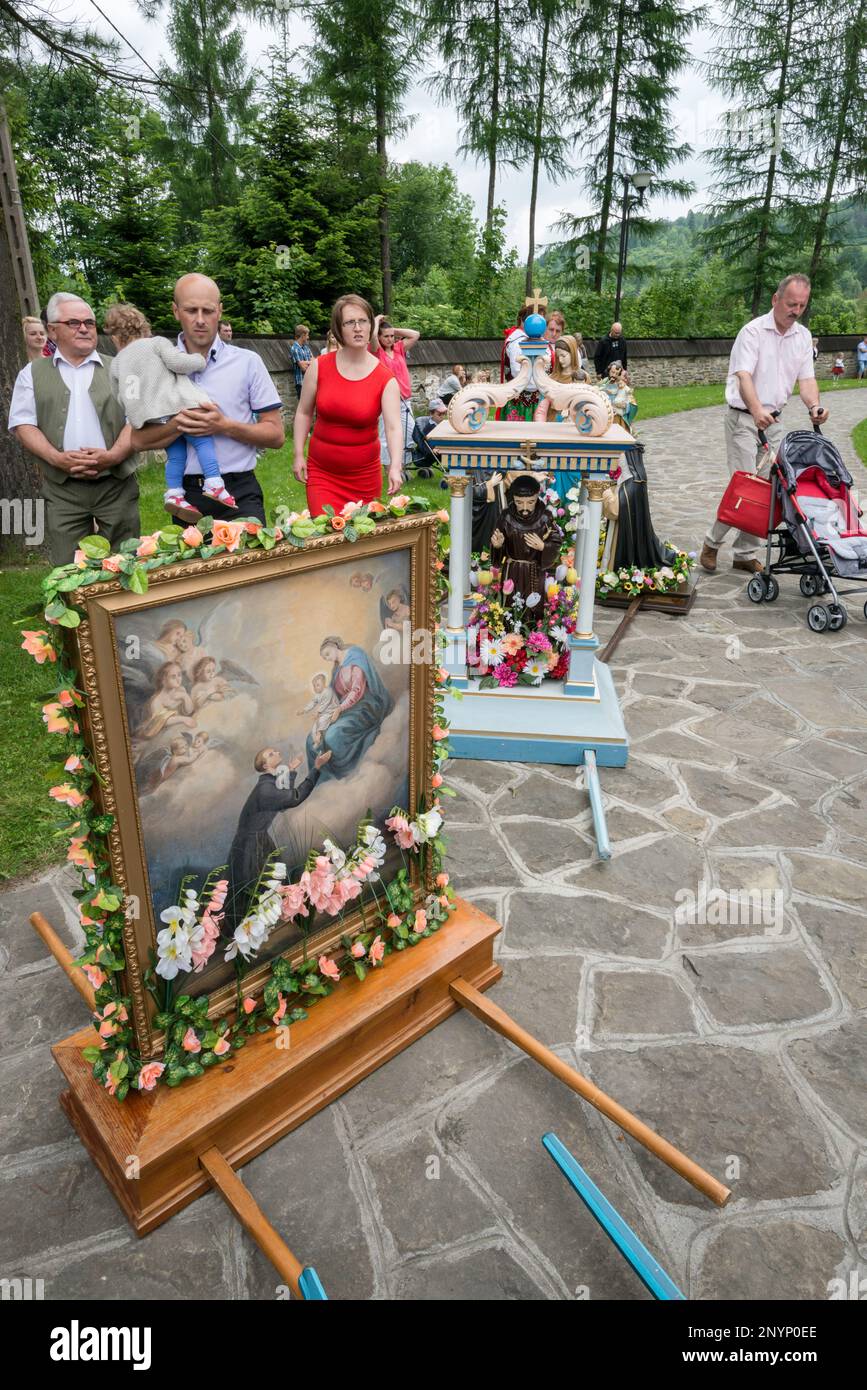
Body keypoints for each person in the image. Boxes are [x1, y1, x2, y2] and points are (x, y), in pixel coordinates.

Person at [127, 274, 284, 525]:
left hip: (239, 491)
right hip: (186, 498)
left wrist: (223, 425)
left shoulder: (248, 362)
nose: (200, 320)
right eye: (191, 310)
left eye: (208, 311)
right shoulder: (155, 368)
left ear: (219, 311)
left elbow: (276, 435)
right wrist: (179, 423)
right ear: (176, 311)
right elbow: (136, 440)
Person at [700, 273, 829, 575]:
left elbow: (807, 380)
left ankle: (744, 554)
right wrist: (756, 409)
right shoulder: (752, 332)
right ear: (775, 299)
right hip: (744, 419)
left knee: (771, 490)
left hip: (774, 422)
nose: (796, 310)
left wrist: (814, 406)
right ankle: (711, 543)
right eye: (791, 304)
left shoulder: (802, 337)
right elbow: (743, 376)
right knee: (745, 486)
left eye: (802, 305)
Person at [8, 291, 140, 565]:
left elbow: (136, 419)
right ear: (52, 331)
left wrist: (113, 455)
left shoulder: (122, 369)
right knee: (67, 568)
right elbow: (23, 424)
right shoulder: (31, 374)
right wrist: (57, 459)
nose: (84, 328)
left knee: (125, 563)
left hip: (116, 485)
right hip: (63, 489)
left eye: (89, 322)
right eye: (73, 323)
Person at [111, 320, 238, 519]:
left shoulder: (117, 361)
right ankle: (214, 483)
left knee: (176, 455)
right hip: (176, 406)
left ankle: (174, 493)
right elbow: (177, 363)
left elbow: (118, 395)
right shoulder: (156, 343)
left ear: (115, 338)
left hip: (153, 419)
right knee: (202, 441)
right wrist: (199, 360)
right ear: (146, 329)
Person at [293, 294, 403, 514]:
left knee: (362, 535)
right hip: (322, 474)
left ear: (371, 325)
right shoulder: (319, 367)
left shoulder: (385, 378)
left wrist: (395, 466)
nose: (358, 328)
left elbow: (393, 428)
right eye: (350, 322)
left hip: (364, 478)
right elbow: (304, 412)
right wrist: (298, 454)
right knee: (326, 532)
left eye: (363, 321)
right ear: (338, 328)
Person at [307, 635, 394, 780]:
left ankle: (347, 775)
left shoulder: (355, 656)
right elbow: (332, 695)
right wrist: (321, 714)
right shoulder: (337, 669)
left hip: (364, 707)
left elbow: (357, 690)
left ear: (334, 646)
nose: (327, 658)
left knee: (333, 735)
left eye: (327, 654)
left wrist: (340, 708)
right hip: (344, 708)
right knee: (312, 740)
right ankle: (321, 781)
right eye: (325, 658)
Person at [490, 475, 563, 611]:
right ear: (513, 499)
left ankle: (534, 626)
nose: (525, 508)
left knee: (533, 608)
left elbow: (556, 542)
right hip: (512, 571)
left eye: (530, 502)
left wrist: (543, 546)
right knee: (510, 607)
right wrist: (498, 546)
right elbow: (498, 546)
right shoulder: (506, 517)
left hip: (534, 572)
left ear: (537, 497)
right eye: (519, 502)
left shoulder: (545, 518)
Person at [372, 315, 420, 465]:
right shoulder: (376, 351)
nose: (390, 339)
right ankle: (389, 467)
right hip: (385, 400)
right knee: (385, 437)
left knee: (410, 433)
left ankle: (403, 466)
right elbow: (372, 337)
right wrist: (376, 321)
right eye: (386, 336)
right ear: (379, 337)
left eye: (392, 336)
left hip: (404, 400)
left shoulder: (399, 348)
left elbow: (415, 334)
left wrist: (393, 329)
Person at [409, 398, 447, 476]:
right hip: (430, 452)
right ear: (431, 414)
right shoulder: (429, 427)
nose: (443, 416)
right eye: (440, 414)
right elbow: (425, 442)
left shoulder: (443, 425)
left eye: (444, 413)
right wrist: (432, 449)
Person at [289, 324, 314, 400]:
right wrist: (311, 363)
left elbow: (315, 362)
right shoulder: (295, 349)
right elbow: (303, 368)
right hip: (301, 383)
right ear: (303, 335)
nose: (308, 337)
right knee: (304, 406)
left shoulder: (306, 348)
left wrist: (307, 363)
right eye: (307, 335)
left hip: (310, 382)